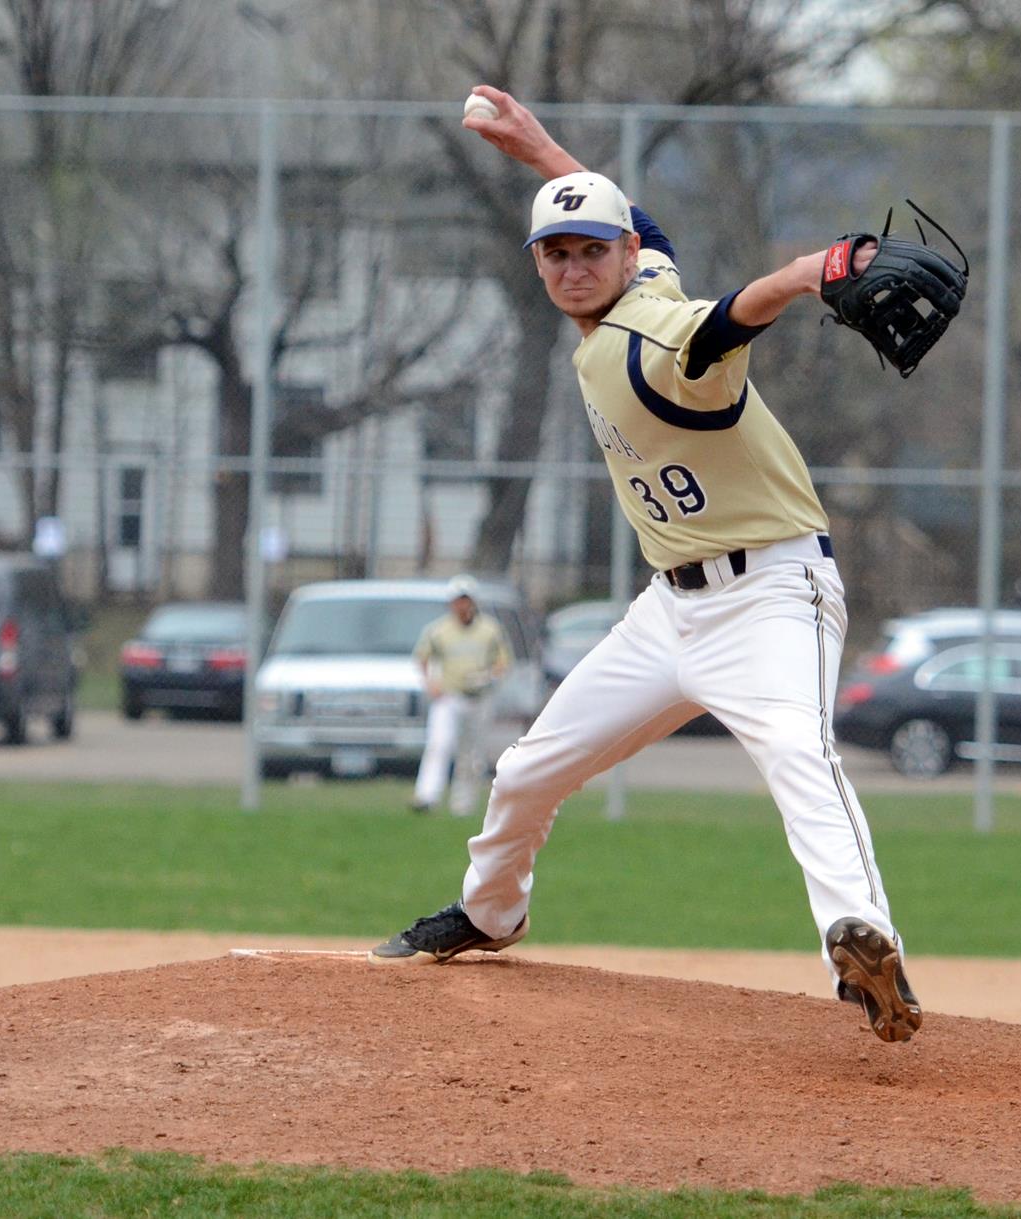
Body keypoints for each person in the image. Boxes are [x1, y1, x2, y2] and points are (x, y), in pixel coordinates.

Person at [371, 85, 922, 1044]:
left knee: (799, 749)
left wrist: (801, 273)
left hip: (773, 594)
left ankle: (862, 937)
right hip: (668, 611)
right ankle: (490, 912)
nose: (577, 265)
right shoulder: (641, 281)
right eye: (559, 251)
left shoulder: (656, 334)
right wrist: (543, 150)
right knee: (524, 771)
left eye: (594, 249)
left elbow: (722, 328)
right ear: (541, 264)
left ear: (623, 261)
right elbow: (648, 221)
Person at [409, 574, 514, 816]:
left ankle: (463, 804)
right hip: (449, 696)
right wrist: (430, 683)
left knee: (471, 755)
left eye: (466, 600)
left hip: (479, 698)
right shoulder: (439, 631)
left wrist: (490, 676)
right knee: (439, 745)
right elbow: (423, 658)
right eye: (458, 601)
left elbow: (502, 661)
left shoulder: (489, 630)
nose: (462, 606)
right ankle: (427, 796)